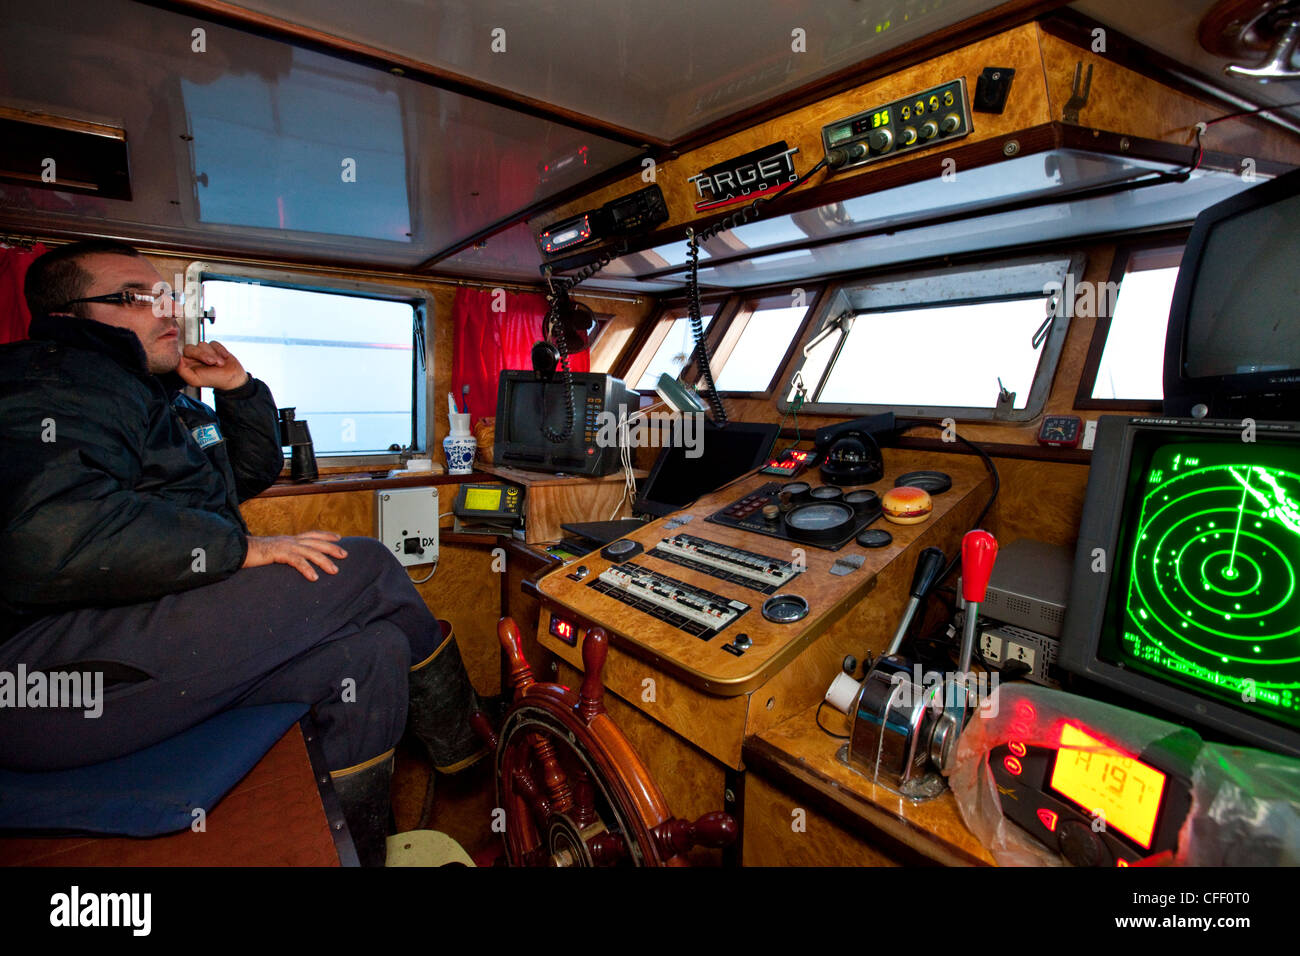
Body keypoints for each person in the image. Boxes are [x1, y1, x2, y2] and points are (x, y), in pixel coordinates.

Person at [0, 240, 483, 865]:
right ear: (69, 315)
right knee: (361, 565)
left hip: (127, 643)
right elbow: (47, 534)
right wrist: (238, 550)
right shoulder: (52, 377)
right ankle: (469, 756)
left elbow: (246, 473)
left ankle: (356, 853)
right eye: (136, 298)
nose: (166, 310)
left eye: (166, 295)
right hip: (49, 676)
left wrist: (237, 389)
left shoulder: (160, 396)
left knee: (371, 657)